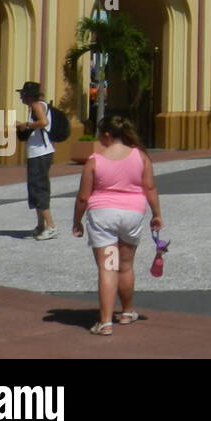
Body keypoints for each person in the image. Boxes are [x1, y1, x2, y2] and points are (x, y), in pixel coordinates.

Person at [71, 114, 163, 334]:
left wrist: (77, 221)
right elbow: (150, 188)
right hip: (131, 215)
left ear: (107, 135)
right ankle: (127, 311)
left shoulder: (95, 160)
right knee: (126, 266)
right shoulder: (141, 157)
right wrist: (156, 214)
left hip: (103, 217)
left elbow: (83, 197)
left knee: (108, 267)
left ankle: (104, 322)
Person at [16, 82, 56, 240]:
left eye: (23, 94)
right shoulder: (39, 105)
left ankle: (51, 226)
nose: (20, 97)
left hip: (40, 153)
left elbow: (43, 122)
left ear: (29, 95)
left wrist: (25, 125)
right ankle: (41, 225)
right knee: (35, 189)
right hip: (38, 153)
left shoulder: (37, 106)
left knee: (39, 190)